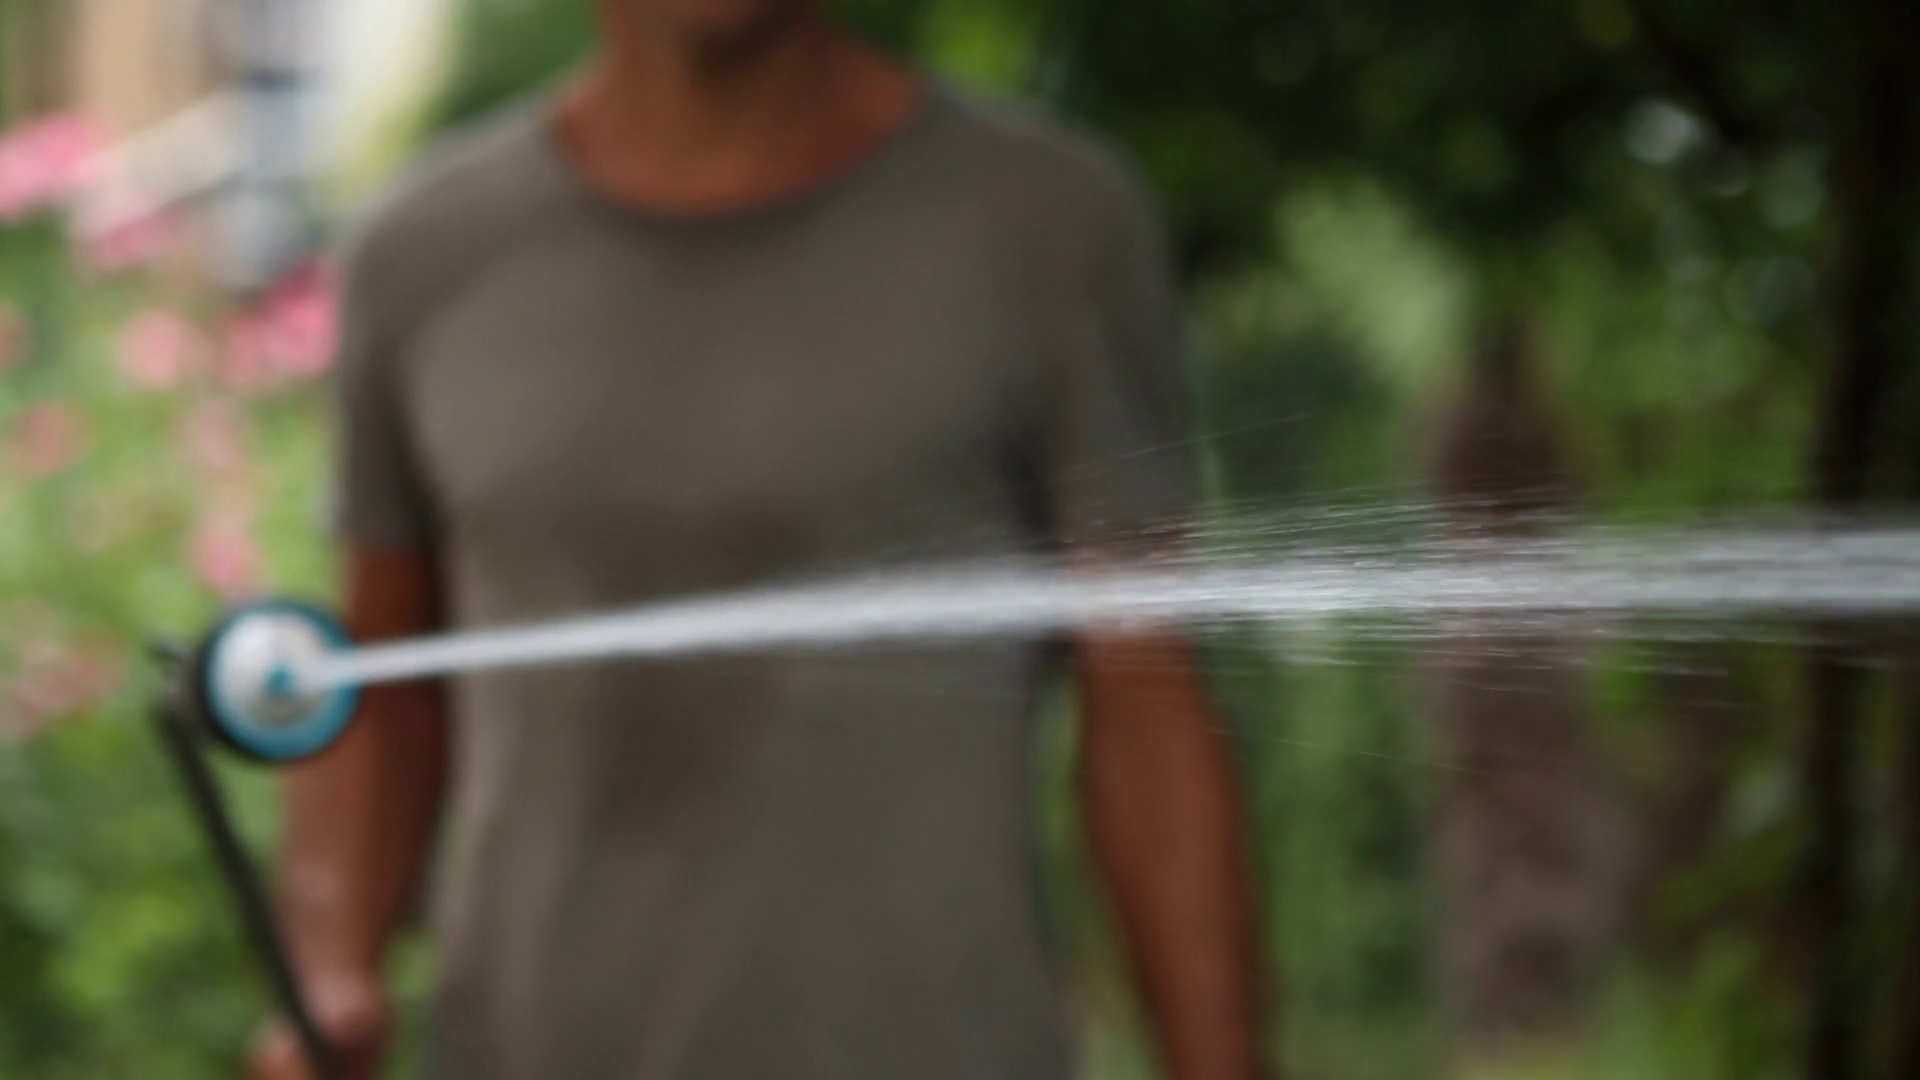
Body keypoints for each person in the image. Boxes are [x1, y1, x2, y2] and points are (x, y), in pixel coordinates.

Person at [248, 1, 1267, 1077]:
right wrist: (329, 969)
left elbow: (1146, 708)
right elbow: (384, 693)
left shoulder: (1047, 223)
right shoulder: (422, 252)